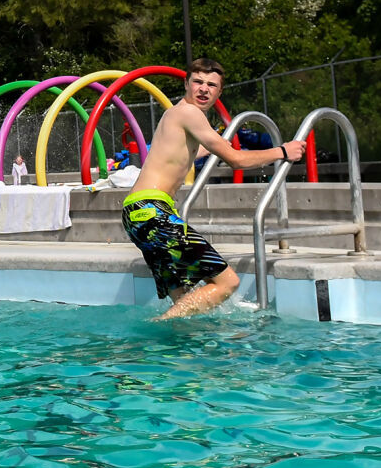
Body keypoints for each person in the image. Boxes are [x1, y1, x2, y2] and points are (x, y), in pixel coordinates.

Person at [122, 58, 306, 319]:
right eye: (198, 82)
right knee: (226, 283)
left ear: (219, 92)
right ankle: (156, 326)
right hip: (153, 212)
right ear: (186, 84)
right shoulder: (190, 113)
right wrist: (283, 151)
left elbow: (184, 153)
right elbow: (236, 160)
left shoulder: (174, 114)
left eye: (211, 85)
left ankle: (172, 340)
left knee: (184, 299)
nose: (203, 89)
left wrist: (217, 145)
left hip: (137, 214)